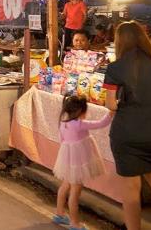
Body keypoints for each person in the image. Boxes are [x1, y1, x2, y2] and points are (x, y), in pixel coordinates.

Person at [104, 21, 151, 230]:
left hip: (126, 135)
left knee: (131, 192)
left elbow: (110, 104)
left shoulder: (115, 68)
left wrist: (120, 102)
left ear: (120, 41)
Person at [51, 95, 114, 229]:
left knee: (64, 186)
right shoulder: (80, 124)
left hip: (67, 160)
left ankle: (59, 214)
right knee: (75, 192)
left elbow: (62, 141)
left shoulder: (63, 123)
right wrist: (111, 112)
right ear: (82, 111)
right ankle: (75, 223)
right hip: (78, 162)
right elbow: (101, 123)